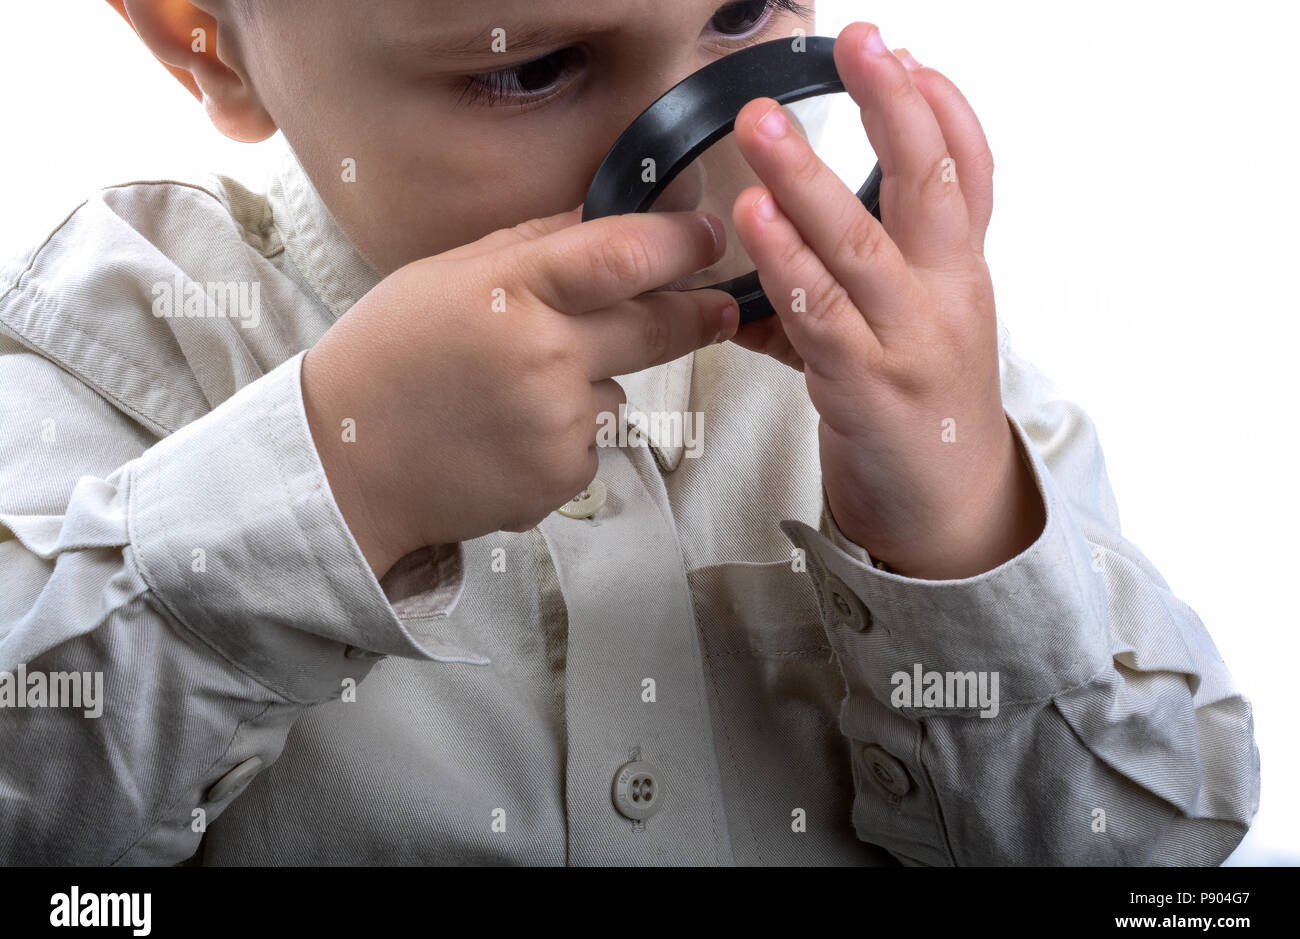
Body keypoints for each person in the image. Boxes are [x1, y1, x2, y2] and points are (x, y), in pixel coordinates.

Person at [0, 0, 1259, 865]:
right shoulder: (126, 352)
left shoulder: (904, 377)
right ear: (205, 40)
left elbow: (1159, 858)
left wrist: (961, 540)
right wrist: (335, 481)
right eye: (531, 66)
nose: (696, 167)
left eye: (748, 9)